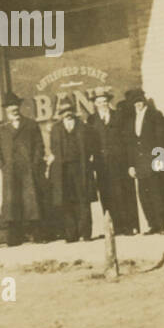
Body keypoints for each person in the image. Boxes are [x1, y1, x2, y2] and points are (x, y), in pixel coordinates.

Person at [0, 93, 45, 246]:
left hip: (28, 169)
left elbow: (39, 146)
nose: (13, 108)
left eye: (15, 105)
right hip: (10, 170)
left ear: (19, 106)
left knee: (31, 201)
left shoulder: (31, 124)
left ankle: (36, 234)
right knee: (12, 202)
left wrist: (35, 163)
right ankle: (14, 237)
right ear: (6, 109)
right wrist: (2, 165)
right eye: (10, 106)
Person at [87, 87, 137, 236]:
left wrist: (130, 163)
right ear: (95, 104)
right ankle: (113, 228)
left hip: (119, 163)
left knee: (123, 194)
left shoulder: (118, 116)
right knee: (107, 195)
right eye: (99, 102)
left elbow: (127, 140)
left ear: (108, 102)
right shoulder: (91, 120)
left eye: (104, 101)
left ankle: (128, 227)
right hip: (102, 165)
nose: (102, 104)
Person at [124, 88, 164, 235]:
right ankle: (152, 225)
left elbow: (161, 141)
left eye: (139, 101)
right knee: (144, 196)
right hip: (140, 165)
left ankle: (162, 225)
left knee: (157, 194)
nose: (137, 104)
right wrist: (131, 165)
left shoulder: (155, 116)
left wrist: (159, 164)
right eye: (134, 102)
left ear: (144, 101)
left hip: (153, 164)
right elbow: (131, 145)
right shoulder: (132, 120)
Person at [48, 102, 93, 242]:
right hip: (63, 170)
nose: (67, 114)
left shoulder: (83, 127)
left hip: (80, 168)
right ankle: (71, 234)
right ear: (60, 115)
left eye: (69, 111)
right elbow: (53, 149)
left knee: (83, 200)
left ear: (73, 112)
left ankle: (85, 233)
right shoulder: (55, 129)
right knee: (66, 201)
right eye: (64, 112)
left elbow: (90, 147)